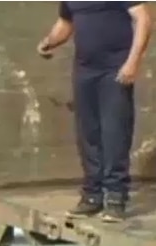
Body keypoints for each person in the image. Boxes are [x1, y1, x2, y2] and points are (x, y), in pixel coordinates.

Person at [38, 2, 152, 221]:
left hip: (115, 69)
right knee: (88, 133)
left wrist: (133, 62)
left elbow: (143, 19)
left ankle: (116, 198)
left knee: (115, 131)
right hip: (85, 70)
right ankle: (92, 196)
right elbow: (65, 23)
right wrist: (49, 42)